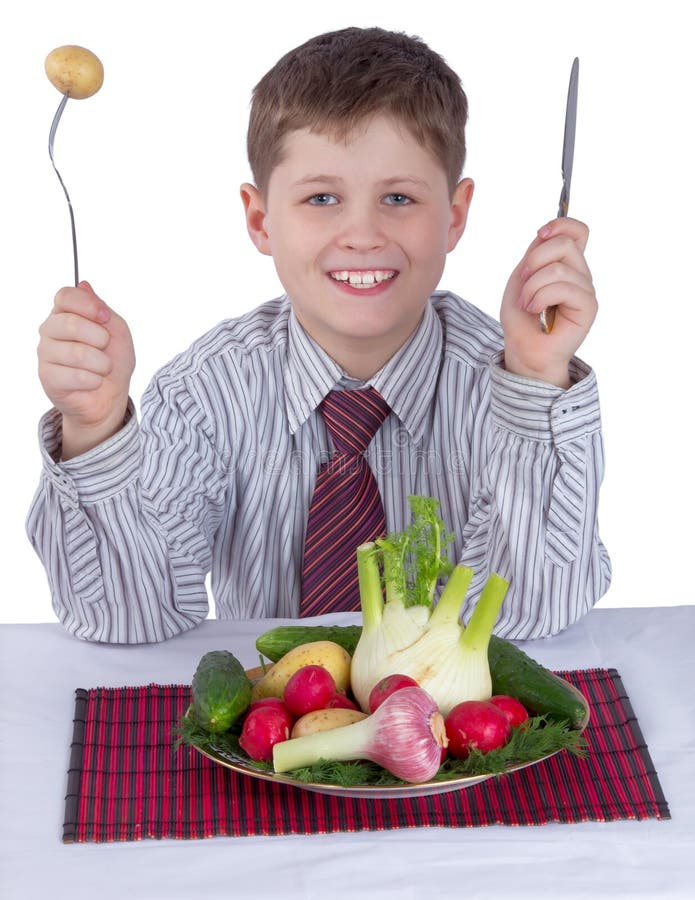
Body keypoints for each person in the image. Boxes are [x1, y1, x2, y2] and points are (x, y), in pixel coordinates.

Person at [27, 26, 611, 644]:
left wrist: (538, 378)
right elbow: (129, 619)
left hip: (451, 732)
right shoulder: (208, 393)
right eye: (323, 197)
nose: (362, 234)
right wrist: (93, 430)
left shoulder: (509, 382)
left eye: (398, 197)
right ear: (260, 220)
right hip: (269, 729)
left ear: (455, 217)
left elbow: (533, 614)